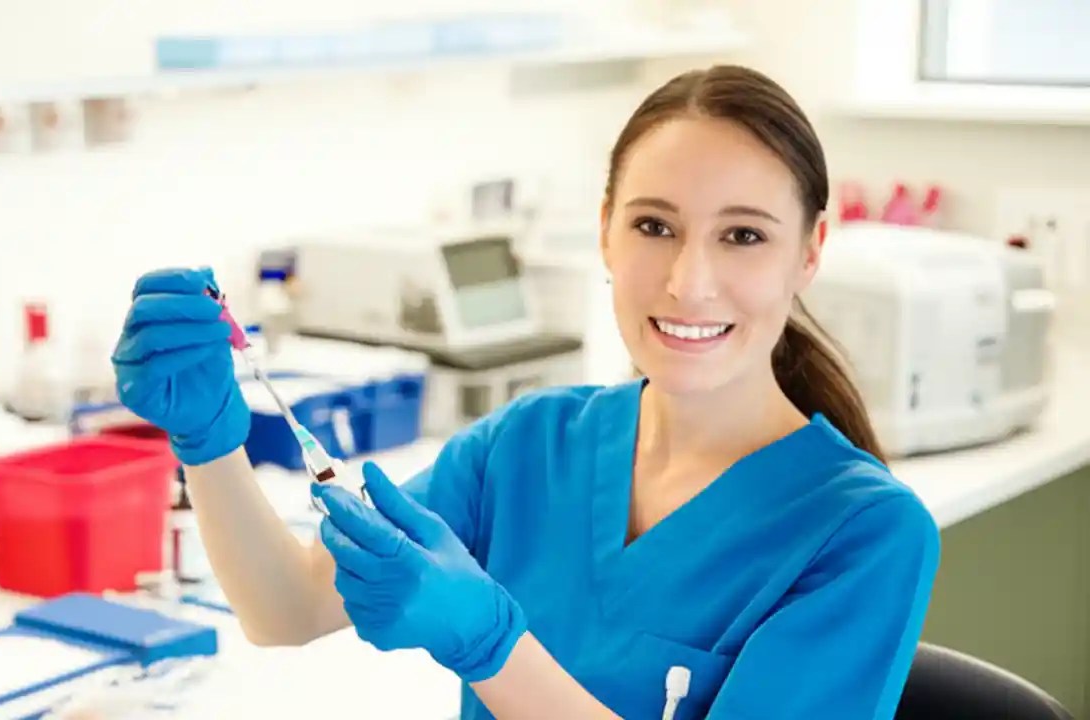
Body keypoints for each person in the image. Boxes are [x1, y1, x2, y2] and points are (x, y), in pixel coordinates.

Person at [112, 64, 940, 720]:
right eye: (654, 226)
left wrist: (491, 646)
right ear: (606, 228)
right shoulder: (528, 448)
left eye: (744, 236)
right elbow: (287, 608)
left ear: (810, 251)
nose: (691, 282)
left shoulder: (864, 534)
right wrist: (211, 445)